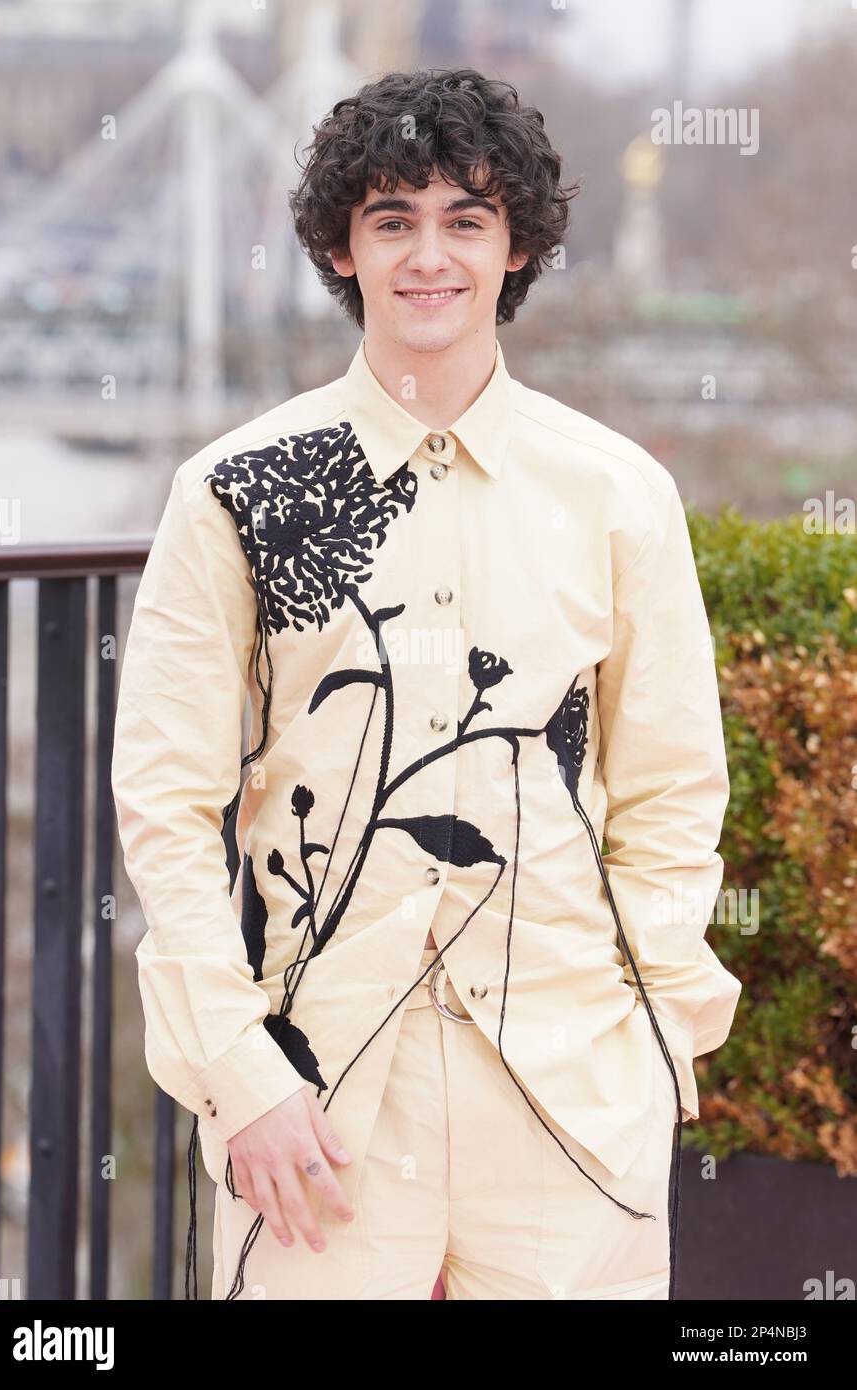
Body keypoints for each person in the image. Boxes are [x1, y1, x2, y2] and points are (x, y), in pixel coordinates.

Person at [110, 68, 742, 1302]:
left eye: (466, 219)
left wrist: (658, 1041)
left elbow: (673, 788)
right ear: (342, 249)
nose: (428, 255)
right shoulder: (235, 491)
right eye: (391, 220)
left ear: (516, 250)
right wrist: (242, 1073)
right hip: (312, 1099)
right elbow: (166, 809)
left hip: (572, 1098)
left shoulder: (618, 494)